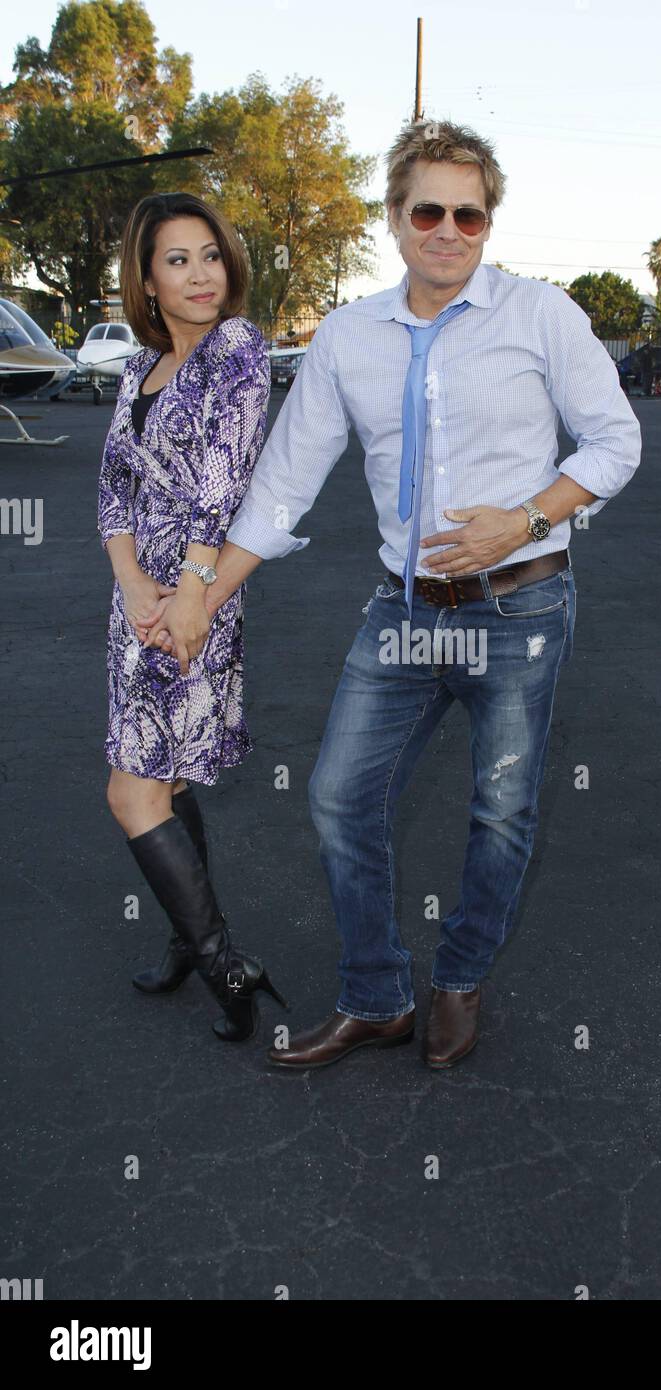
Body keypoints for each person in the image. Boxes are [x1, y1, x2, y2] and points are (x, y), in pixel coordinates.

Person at [146, 120, 641, 1072]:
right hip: (405, 612)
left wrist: (528, 519)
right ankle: (375, 997)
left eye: (471, 212)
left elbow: (615, 442)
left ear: (489, 222)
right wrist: (201, 592)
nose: (449, 228)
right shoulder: (347, 337)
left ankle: (458, 978)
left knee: (501, 814)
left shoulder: (542, 315)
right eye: (429, 209)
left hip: (521, 607)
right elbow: (286, 482)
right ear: (395, 217)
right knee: (337, 798)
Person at [97, 191, 285, 1042]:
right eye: (178, 259)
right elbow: (113, 486)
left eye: (210, 254)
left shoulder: (238, 348)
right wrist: (132, 581)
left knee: (129, 792)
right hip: (139, 601)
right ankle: (188, 936)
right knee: (164, 780)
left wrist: (188, 589)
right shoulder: (140, 367)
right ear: (146, 279)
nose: (202, 273)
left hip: (197, 598)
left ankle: (226, 965)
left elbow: (227, 475)